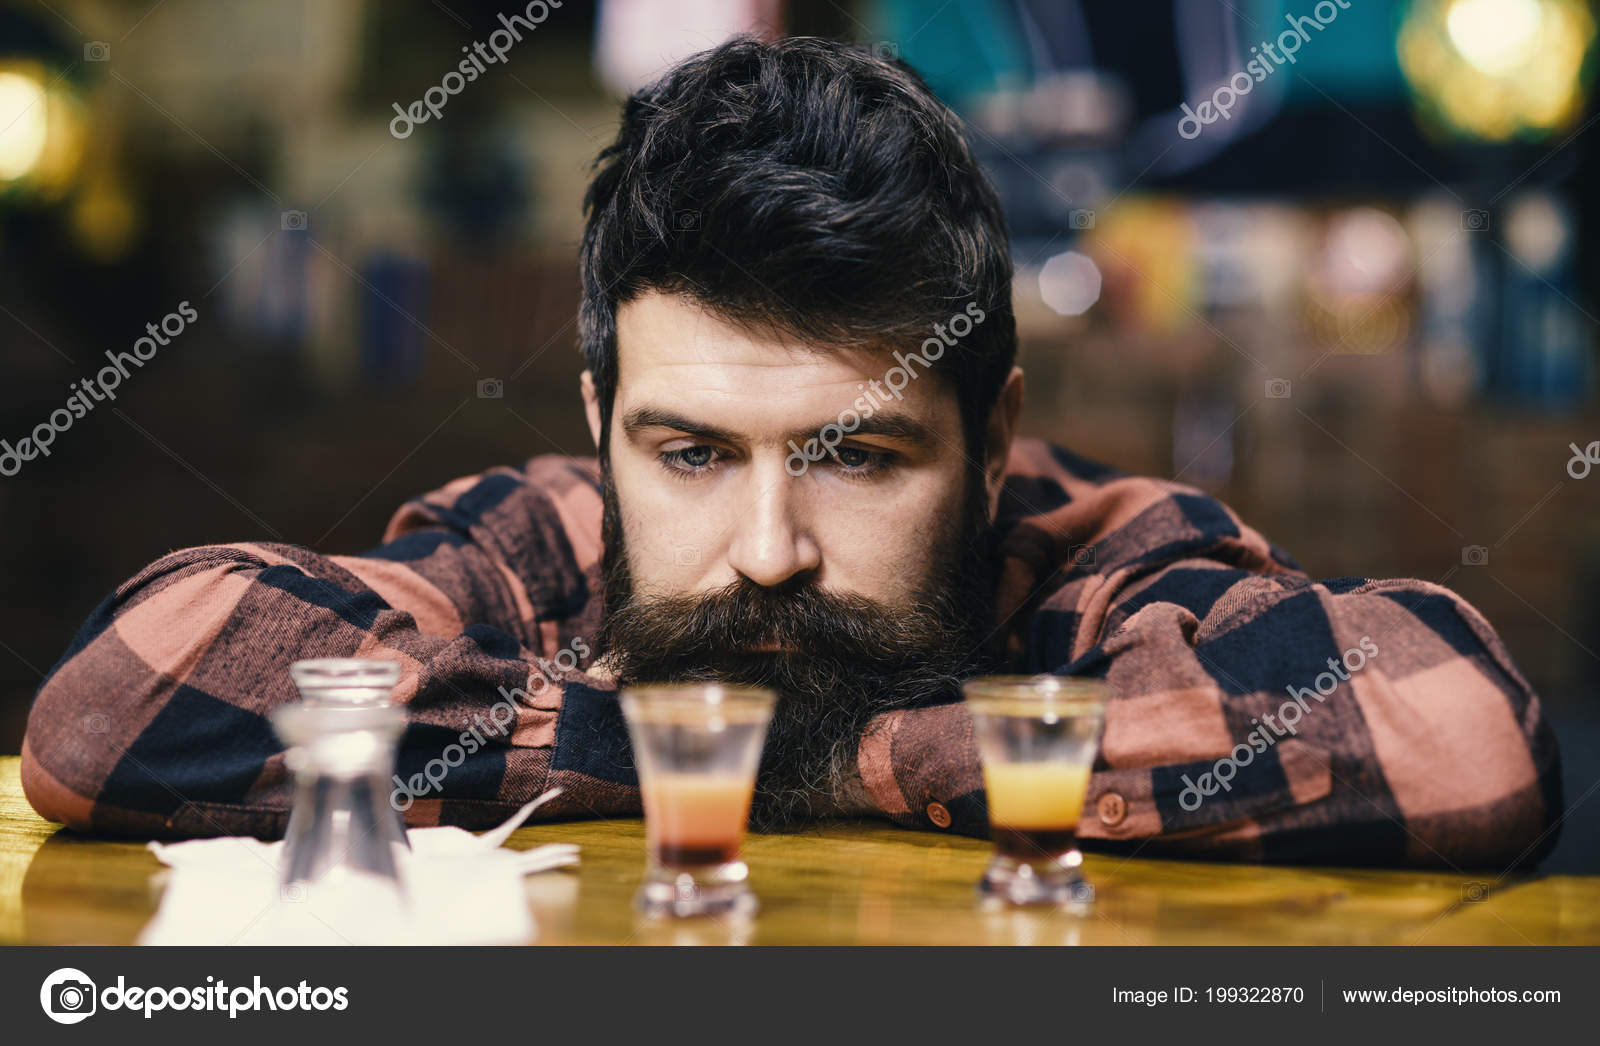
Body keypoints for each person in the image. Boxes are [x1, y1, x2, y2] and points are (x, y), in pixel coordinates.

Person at [22, 37, 1560, 866]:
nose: (767, 549)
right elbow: (111, 708)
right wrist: (714, 746)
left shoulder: (1098, 550)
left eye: (859, 458)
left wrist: (813, 752)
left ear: (996, 434)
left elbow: (1458, 732)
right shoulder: (550, 534)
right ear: (598, 423)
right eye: (689, 453)